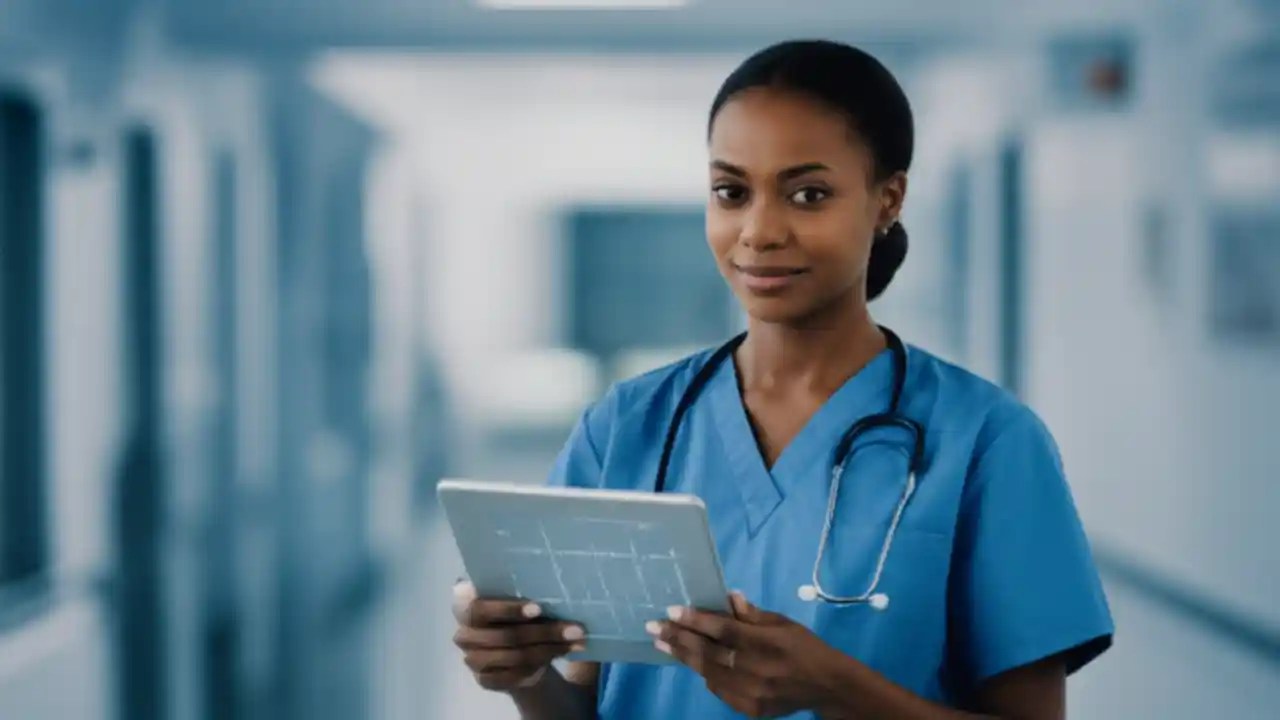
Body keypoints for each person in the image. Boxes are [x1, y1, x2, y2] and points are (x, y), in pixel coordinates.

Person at [451, 39, 1113, 719]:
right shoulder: (626, 426)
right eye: (731, 192)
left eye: (808, 194)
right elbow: (584, 705)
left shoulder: (986, 441)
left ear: (888, 200)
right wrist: (523, 676)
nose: (759, 231)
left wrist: (835, 689)